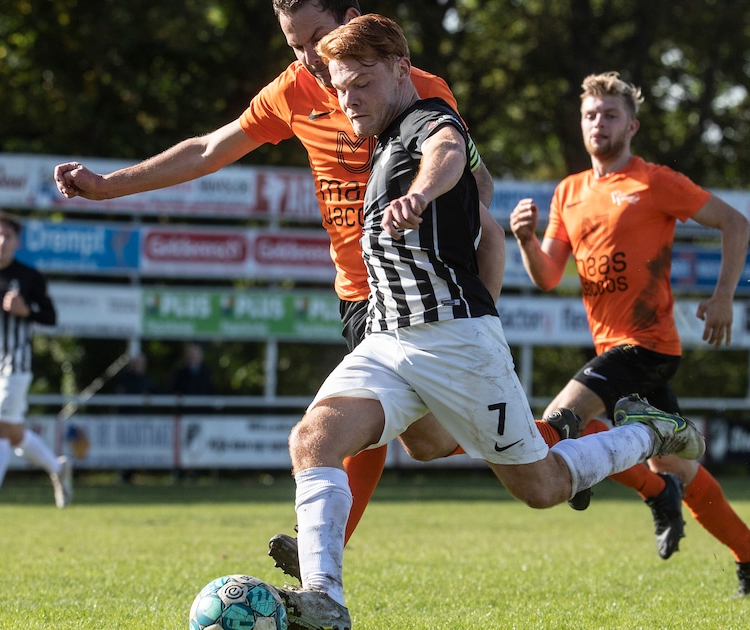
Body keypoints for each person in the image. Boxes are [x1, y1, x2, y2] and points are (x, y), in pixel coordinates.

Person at [275, 17, 707, 629]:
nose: (349, 101)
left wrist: (422, 195)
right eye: (341, 88)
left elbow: (447, 152)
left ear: (399, 69)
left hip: (453, 342)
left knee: (542, 487)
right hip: (388, 339)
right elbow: (492, 233)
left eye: (362, 84)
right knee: (316, 439)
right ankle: (325, 601)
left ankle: (647, 433)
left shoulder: (428, 121)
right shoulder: (381, 141)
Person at [54, 0, 511, 548]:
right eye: (295, 45)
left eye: (317, 37)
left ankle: (321, 549)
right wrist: (108, 186)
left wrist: (455, 247)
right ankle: (544, 440)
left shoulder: (412, 85)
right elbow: (207, 150)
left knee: (397, 433)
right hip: (360, 293)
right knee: (407, 436)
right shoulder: (293, 91)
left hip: (423, 288)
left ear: (351, 18)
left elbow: (467, 171)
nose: (309, 56)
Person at [509, 71, 750, 597]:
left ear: (631, 126)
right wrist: (524, 240)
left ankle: (631, 488)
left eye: (610, 115)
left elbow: (736, 223)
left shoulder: (654, 182)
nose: (599, 123)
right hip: (612, 350)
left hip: (648, 346)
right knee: (672, 461)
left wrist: (723, 296)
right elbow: (547, 276)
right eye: (591, 115)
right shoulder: (569, 192)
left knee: (561, 420)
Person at [0, 211, 72, 524]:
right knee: (13, 433)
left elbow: (50, 317)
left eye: (8, 236)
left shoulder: (29, 276)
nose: (1, 241)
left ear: (17, 242)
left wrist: (26, 311)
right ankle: (58, 468)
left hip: (16, 365)